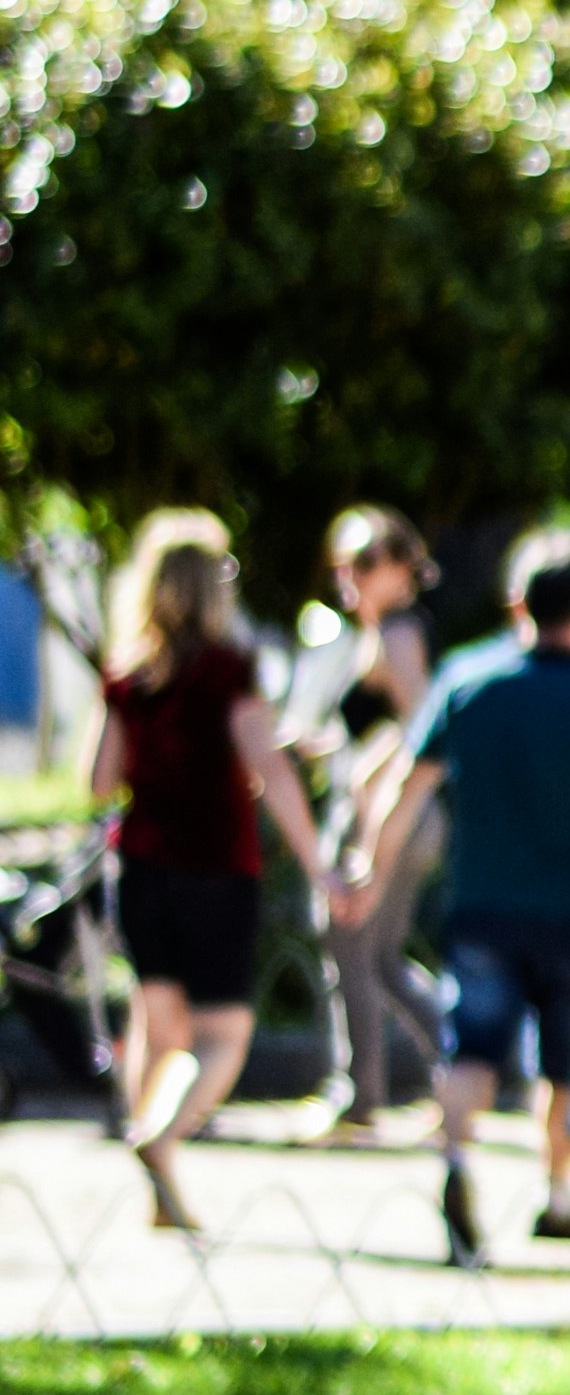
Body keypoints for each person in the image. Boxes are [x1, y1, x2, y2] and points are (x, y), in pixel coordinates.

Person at [345, 523, 570, 1268]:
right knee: (561, 1060)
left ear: (516, 600)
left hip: (480, 903)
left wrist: (368, 868)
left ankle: (456, 1162)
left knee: (473, 1045)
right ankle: (556, 1193)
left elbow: (405, 787)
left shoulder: (465, 681)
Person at [91, 515, 329, 1230]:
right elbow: (270, 770)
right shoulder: (230, 669)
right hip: (216, 866)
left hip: (140, 867)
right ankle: (159, 1136)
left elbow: (99, 779)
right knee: (220, 1033)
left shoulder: (128, 675)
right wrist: (320, 864)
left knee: (156, 1026)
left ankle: (157, 1194)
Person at [297, 505, 438, 1135]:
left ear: (400, 566)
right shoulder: (374, 634)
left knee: (355, 948)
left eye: (363, 562)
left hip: (394, 816)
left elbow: (421, 729)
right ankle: (452, 1067)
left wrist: (360, 771)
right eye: (342, 564)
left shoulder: (400, 635)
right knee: (374, 956)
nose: (348, 576)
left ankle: (363, 1091)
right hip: (385, 812)